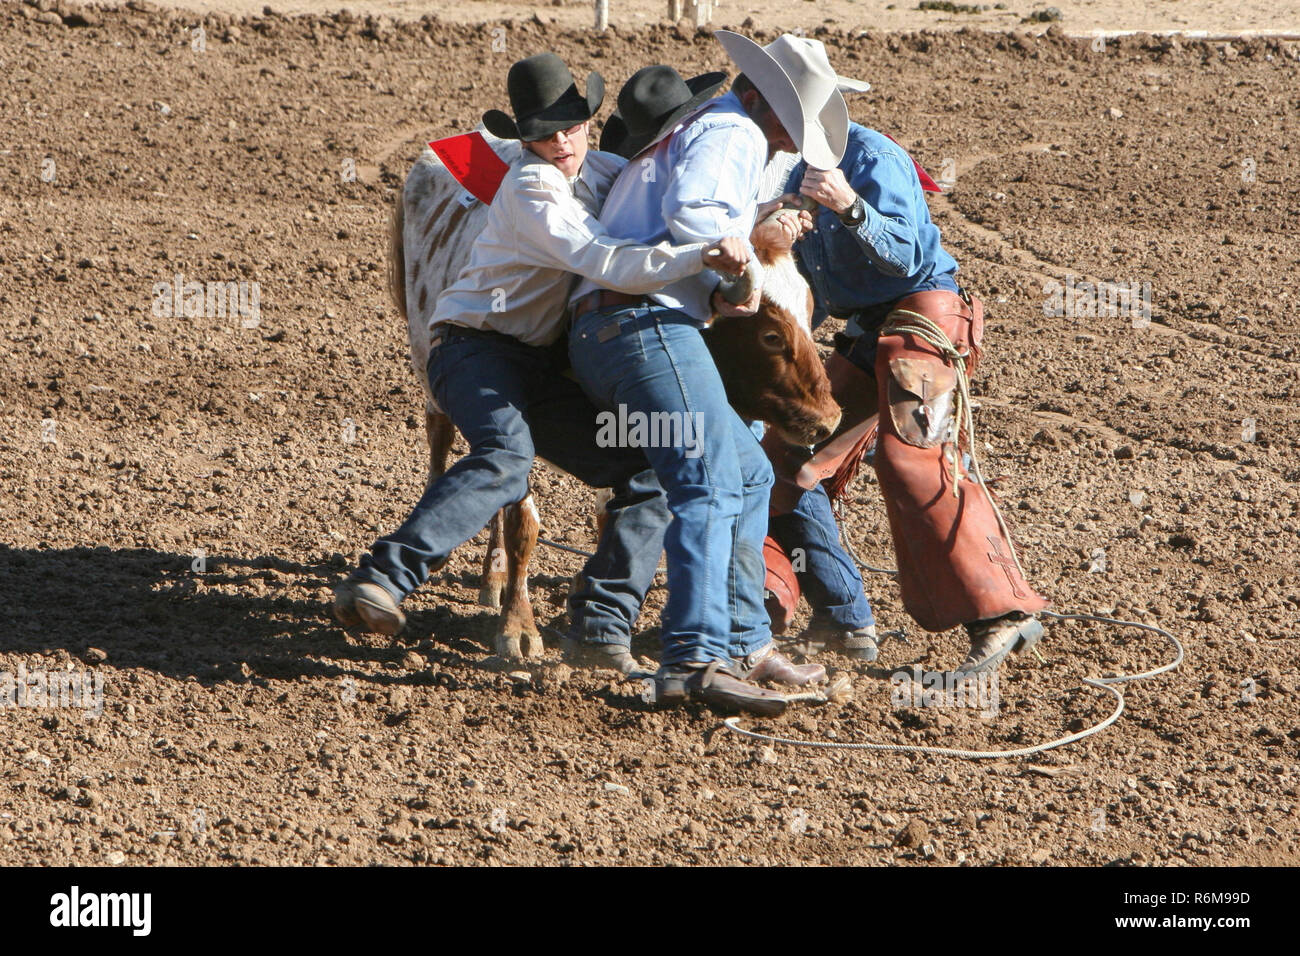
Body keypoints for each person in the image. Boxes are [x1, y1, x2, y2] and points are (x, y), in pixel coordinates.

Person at [332, 53, 750, 676]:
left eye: (571, 126)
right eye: (543, 132)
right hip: (474, 349)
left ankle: (598, 626)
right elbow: (605, 260)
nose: (560, 141)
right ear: (523, 139)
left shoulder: (607, 170)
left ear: (588, 123)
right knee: (506, 456)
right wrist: (701, 258)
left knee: (649, 470)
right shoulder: (529, 188)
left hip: (539, 363)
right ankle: (382, 578)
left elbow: (657, 197)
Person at [566, 34, 855, 715]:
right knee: (709, 477)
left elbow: (695, 223)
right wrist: (747, 277)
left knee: (749, 473)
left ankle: (746, 641)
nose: (793, 142)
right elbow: (697, 220)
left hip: (618, 322)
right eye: (792, 123)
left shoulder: (706, 129)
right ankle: (694, 657)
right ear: (758, 99)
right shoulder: (731, 130)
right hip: (647, 320)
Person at [750, 42, 1051, 676]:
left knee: (911, 456)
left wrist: (848, 207)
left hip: (924, 315)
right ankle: (791, 610)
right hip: (869, 332)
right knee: (785, 454)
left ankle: (1002, 613)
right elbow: (812, 286)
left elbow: (907, 256)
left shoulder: (873, 157)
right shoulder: (785, 173)